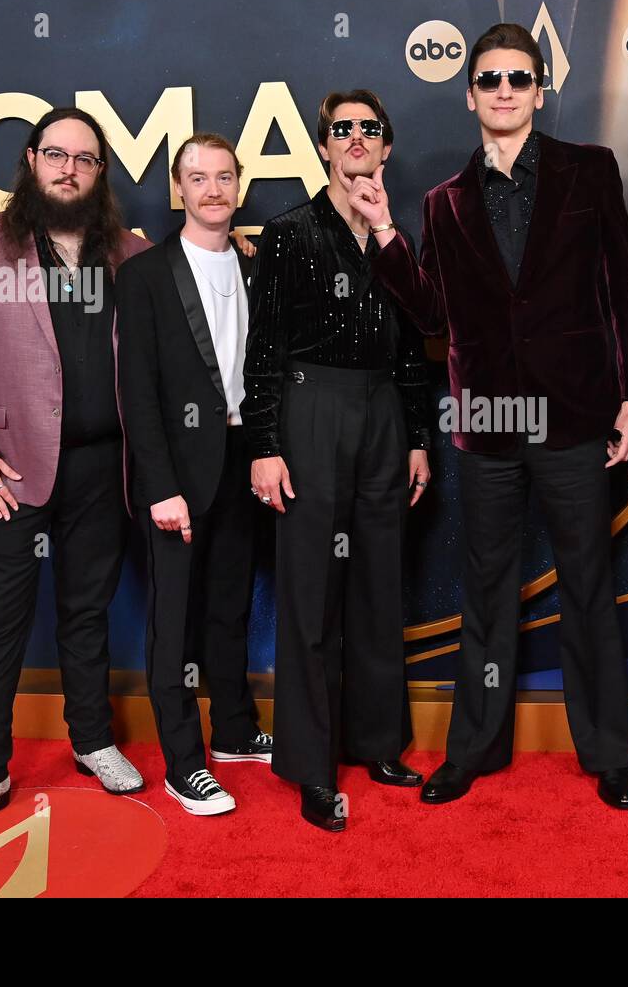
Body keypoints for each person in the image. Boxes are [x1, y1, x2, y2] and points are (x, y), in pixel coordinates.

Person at [348, 23, 628, 809]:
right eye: (490, 79)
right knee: (486, 590)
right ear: (472, 94)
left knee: (588, 582)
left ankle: (609, 752)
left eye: (519, 77)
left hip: (576, 416)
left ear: (540, 89)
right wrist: (385, 230)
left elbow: (624, 290)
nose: (506, 89)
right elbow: (429, 313)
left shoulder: (590, 172)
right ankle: (473, 749)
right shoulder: (443, 202)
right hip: (487, 424)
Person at [0, 107, 149, 842]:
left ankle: (92, 739)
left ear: (100, 171)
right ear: (30, 159)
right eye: (57, 154)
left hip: (101, 465)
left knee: (88, 612)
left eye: (85, 158)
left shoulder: (132, 253)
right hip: (8, 471)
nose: (69, 168)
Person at [245, 90, 431, 832]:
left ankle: (380, 742)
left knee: (380, 587)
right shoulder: (289, 234)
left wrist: (417, 433)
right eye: (341, 129)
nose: (356, 138)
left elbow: (417, 340)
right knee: (311, 596)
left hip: (384, 414)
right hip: (308, 412)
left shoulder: (397, 236)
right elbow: (262, 349)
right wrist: (263, 444)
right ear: (324, 145)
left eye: (370, 129)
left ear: (385, 147)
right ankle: (312, 765)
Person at [116, 133, 273, 817]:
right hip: (176, 471)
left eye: (224, 176)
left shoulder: (255, 265)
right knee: (174, 620)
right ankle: (185, 762)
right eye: (198, 177)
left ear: (238, 185)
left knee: (229, 604)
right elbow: (138, 391)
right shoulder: (146, 274)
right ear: (179, 189)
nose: (213, 188)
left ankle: (235, 729)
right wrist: (159, 486)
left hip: (241, 460)